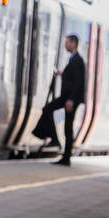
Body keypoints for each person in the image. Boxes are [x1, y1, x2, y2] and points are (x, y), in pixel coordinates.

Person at [38, 35, 85, 165]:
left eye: (67, 42)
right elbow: (71, 78)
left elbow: (78, 82)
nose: (65, 45)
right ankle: (55, 142)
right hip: (67, 98)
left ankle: (65, 157)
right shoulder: (73, 59)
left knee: (67, 127)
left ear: (74, 43)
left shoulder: (77, 60)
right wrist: (61, 74)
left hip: (70, 99)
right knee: (48, 109)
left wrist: (71, 100)